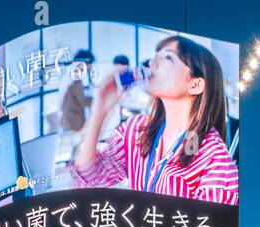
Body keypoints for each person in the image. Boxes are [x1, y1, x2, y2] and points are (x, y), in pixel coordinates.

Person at [70, 35, 239, 205]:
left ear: (195, 85)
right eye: (156, 55)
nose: (152, 63)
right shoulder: (137, 130)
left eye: (168, 57)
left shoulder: (215, 161)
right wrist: (101, 109)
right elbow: (90, 178)